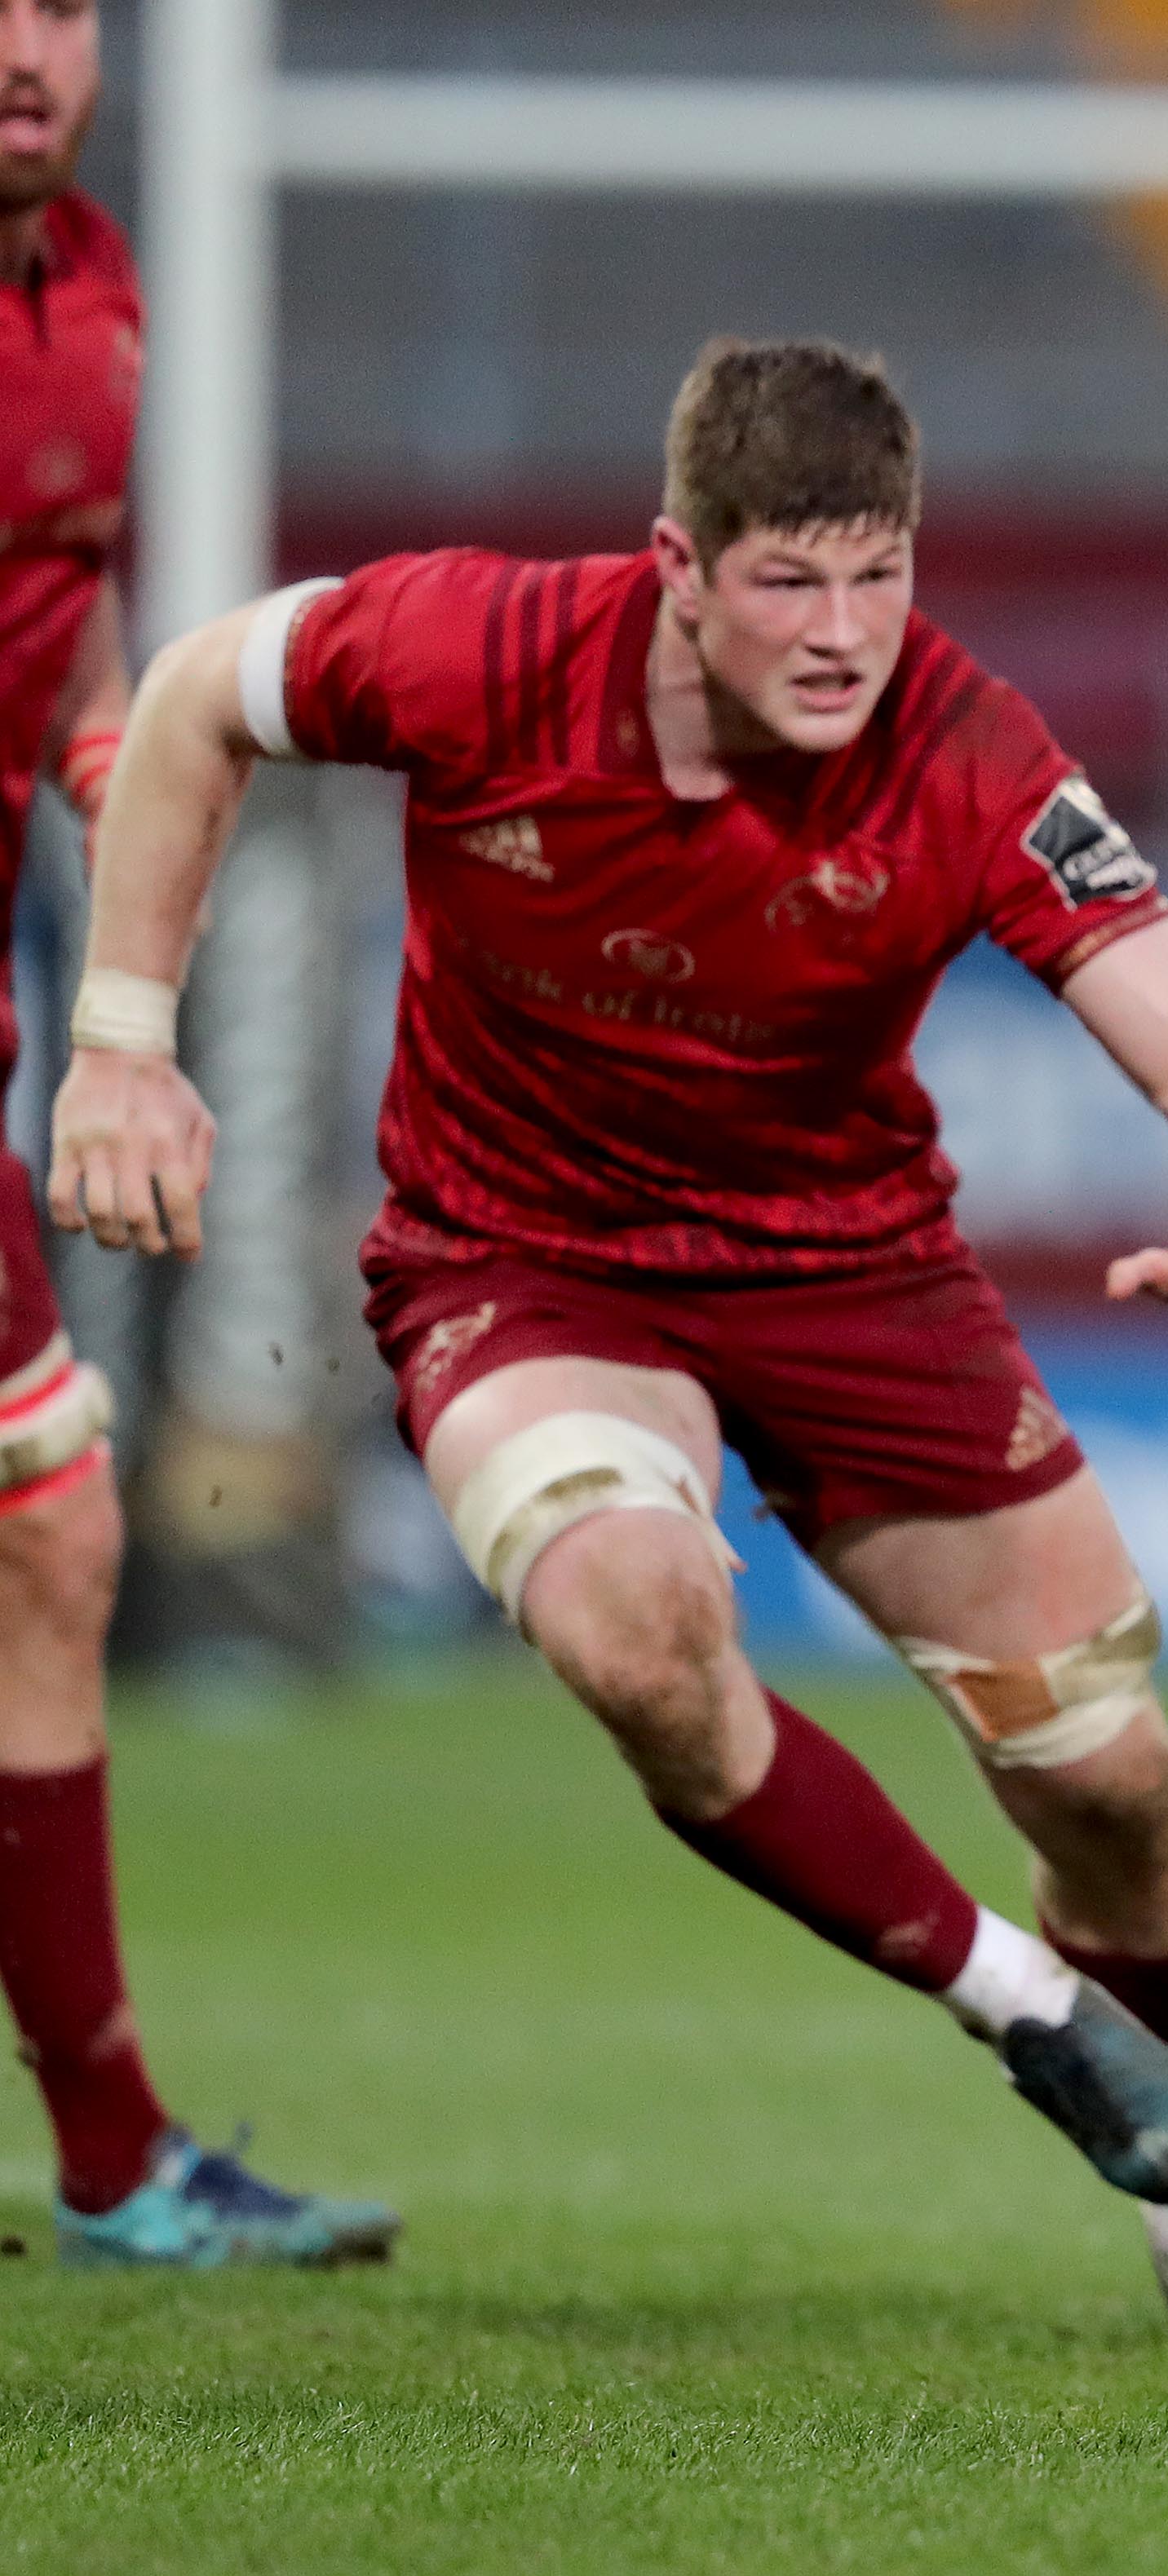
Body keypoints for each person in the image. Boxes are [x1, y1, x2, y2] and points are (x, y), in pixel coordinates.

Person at [52, 336, 1168, 2347]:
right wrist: (120, 1036)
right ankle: (1028, 2011)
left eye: (877, 573)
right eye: (789, 578)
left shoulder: (965, 748)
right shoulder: (478, 647)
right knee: (639, 1631)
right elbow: (190, 696)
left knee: (1114, 1787)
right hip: (525, 1262)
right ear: (674, 566)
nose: (845, 631)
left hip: (852, 1273)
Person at [0, 0, 397, 2268]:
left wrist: (98, 781)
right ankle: (108, 2158)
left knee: (51, 1527)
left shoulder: (104, 286)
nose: (27, 43)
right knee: (48, 1520)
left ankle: (110, 2156)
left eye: (63, 0)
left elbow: (61, 618)